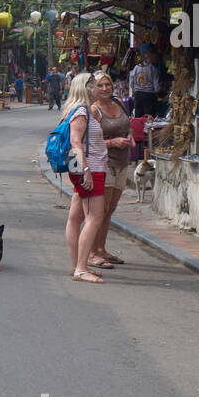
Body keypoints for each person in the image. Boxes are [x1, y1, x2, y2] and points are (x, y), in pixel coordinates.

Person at [60, 72, 108, 284]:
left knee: (75, 217)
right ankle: (80, 268)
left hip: (87, 169)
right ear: (85, 87)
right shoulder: (81, 111)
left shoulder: (81, 110)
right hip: (90, 170)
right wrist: (86, 170)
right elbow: (75, 142)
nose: (97, 88)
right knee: (94, 218)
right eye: (94, 85)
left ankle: (77, 266)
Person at [89, 70, 134, 270]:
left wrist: (130, 136)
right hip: (103, 164)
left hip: (122, 163)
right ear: (93, 89)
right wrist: (112, 142)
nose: (105, 88)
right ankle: (90, 253)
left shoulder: (119, 103)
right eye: (100, 85)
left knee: (110, 210)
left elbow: (128, 125)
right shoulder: (93, 110)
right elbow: (89, 142)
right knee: (99, 211)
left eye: (107, 84)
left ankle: (101, 248)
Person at [130, 48, 160, 117]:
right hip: (149, 95)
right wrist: (157, 92)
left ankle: (139, 127)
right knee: (149, 116)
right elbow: (156, 83)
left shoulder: (136, 68)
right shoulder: (152, 68)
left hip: (138, 94)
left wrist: (135, 90)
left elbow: (131, 81)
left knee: (138, 115)